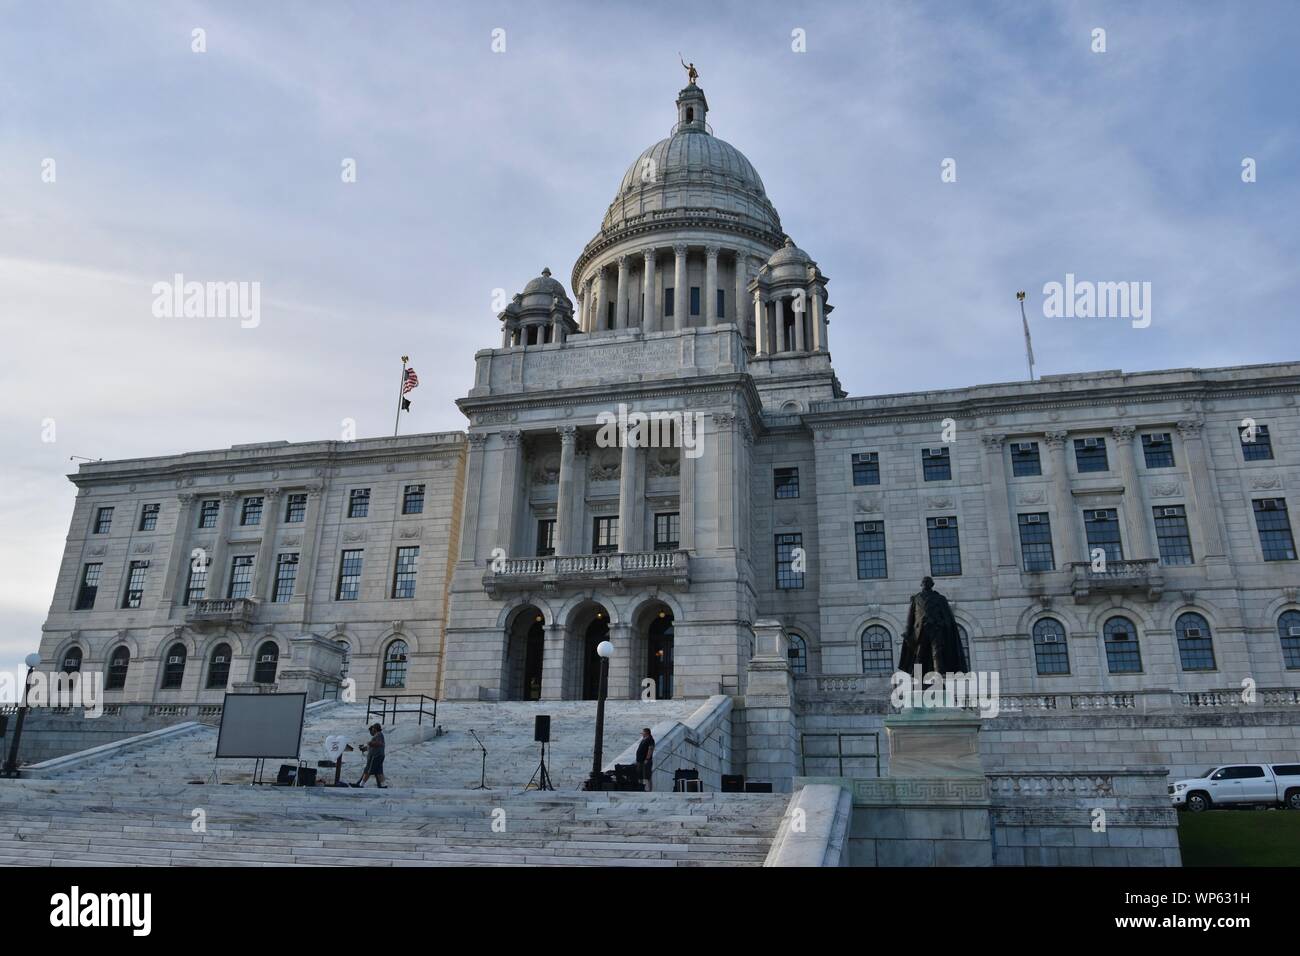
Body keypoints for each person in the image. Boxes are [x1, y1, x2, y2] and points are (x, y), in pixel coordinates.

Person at [899, 576, 968, 677]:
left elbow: (947, 617)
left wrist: (940, 624)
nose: (926, 583)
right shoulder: (916, 598)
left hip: (936, 630)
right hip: (920, 632)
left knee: (937, 653)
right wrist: (908, 631)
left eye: (928, 582)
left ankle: (939, 676)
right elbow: (911, 617)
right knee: (919, 654)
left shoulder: (940, 599)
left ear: (932, 584)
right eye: (924, 582)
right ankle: (917, 676)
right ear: (921, 585)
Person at [356, 723, 387, 788]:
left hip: (376, 756)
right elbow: (373, 746)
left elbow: (379, 743)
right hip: (378, 755)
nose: (372, 730)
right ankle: (383, 785)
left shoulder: (378, 734)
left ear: (375, 729)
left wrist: (370, 743)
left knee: (368, 771)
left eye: (372, 729)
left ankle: (360, 785)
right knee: (379, 772)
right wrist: (364, 748)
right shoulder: (378, 735)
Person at [635, 727, 655, 792]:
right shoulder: (644, 739)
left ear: (646, 733)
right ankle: (641, 788)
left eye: (643, 732)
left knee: (647, 776)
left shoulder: (650, 740)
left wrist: (647, 758)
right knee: (639, 775)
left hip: (645, 761)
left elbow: (650, 749)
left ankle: (648, 790)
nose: (642, 734)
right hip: (640, 761)